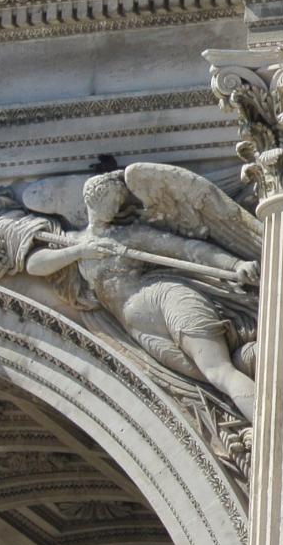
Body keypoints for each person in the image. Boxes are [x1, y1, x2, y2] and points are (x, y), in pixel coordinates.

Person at [25, 174, 259, 420]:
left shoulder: (129, 236)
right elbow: (34, 265)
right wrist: (80, 251)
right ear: (91, 200)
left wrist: (235, 264)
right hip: (139, 327)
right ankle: (257, 363)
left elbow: (188, 249)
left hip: (164, 298)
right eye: (108, 200)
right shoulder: (74, 241)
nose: (112, 207)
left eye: (116, 201)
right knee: (209, 377)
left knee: (220, 372)